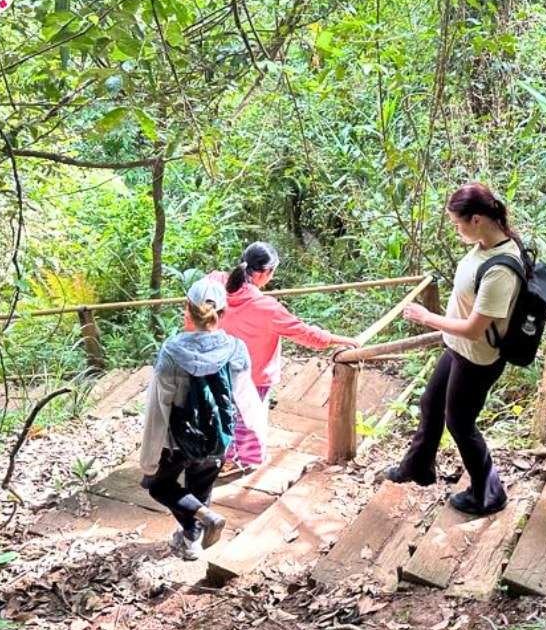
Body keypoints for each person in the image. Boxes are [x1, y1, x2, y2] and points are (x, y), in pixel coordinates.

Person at [384, 183, 524, 516]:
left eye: (457, 222)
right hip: (458, 347)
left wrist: (428, 317)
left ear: (476, 219)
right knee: (430, 404)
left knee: (460, 423)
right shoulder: (484, 243)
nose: (455, 229)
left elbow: (476, 328)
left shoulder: (501, 269)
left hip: (477, 357)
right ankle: (418, 466)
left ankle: (489, 493)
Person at [189, 242, 359, 469]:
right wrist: (338, 339)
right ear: (266, 273)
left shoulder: (213, 282)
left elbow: (192, 308)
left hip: (214, 367)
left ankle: (223, 455)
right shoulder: (266, 307)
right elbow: (303, 333)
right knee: (249, 419)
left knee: (221, 412)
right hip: (252, 374)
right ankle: (249, 461)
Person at [140, 279, 265, 560]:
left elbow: (158, 407)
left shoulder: (172, 351)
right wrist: (257, 433)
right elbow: (246, 397)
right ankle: (193, 539)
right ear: (223, 313)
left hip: (176, 441)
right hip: (216, 438)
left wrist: (149, 456)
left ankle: (198, 528)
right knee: (201, 487)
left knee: (158, 485)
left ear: (188, 310)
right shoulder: (236, 349)